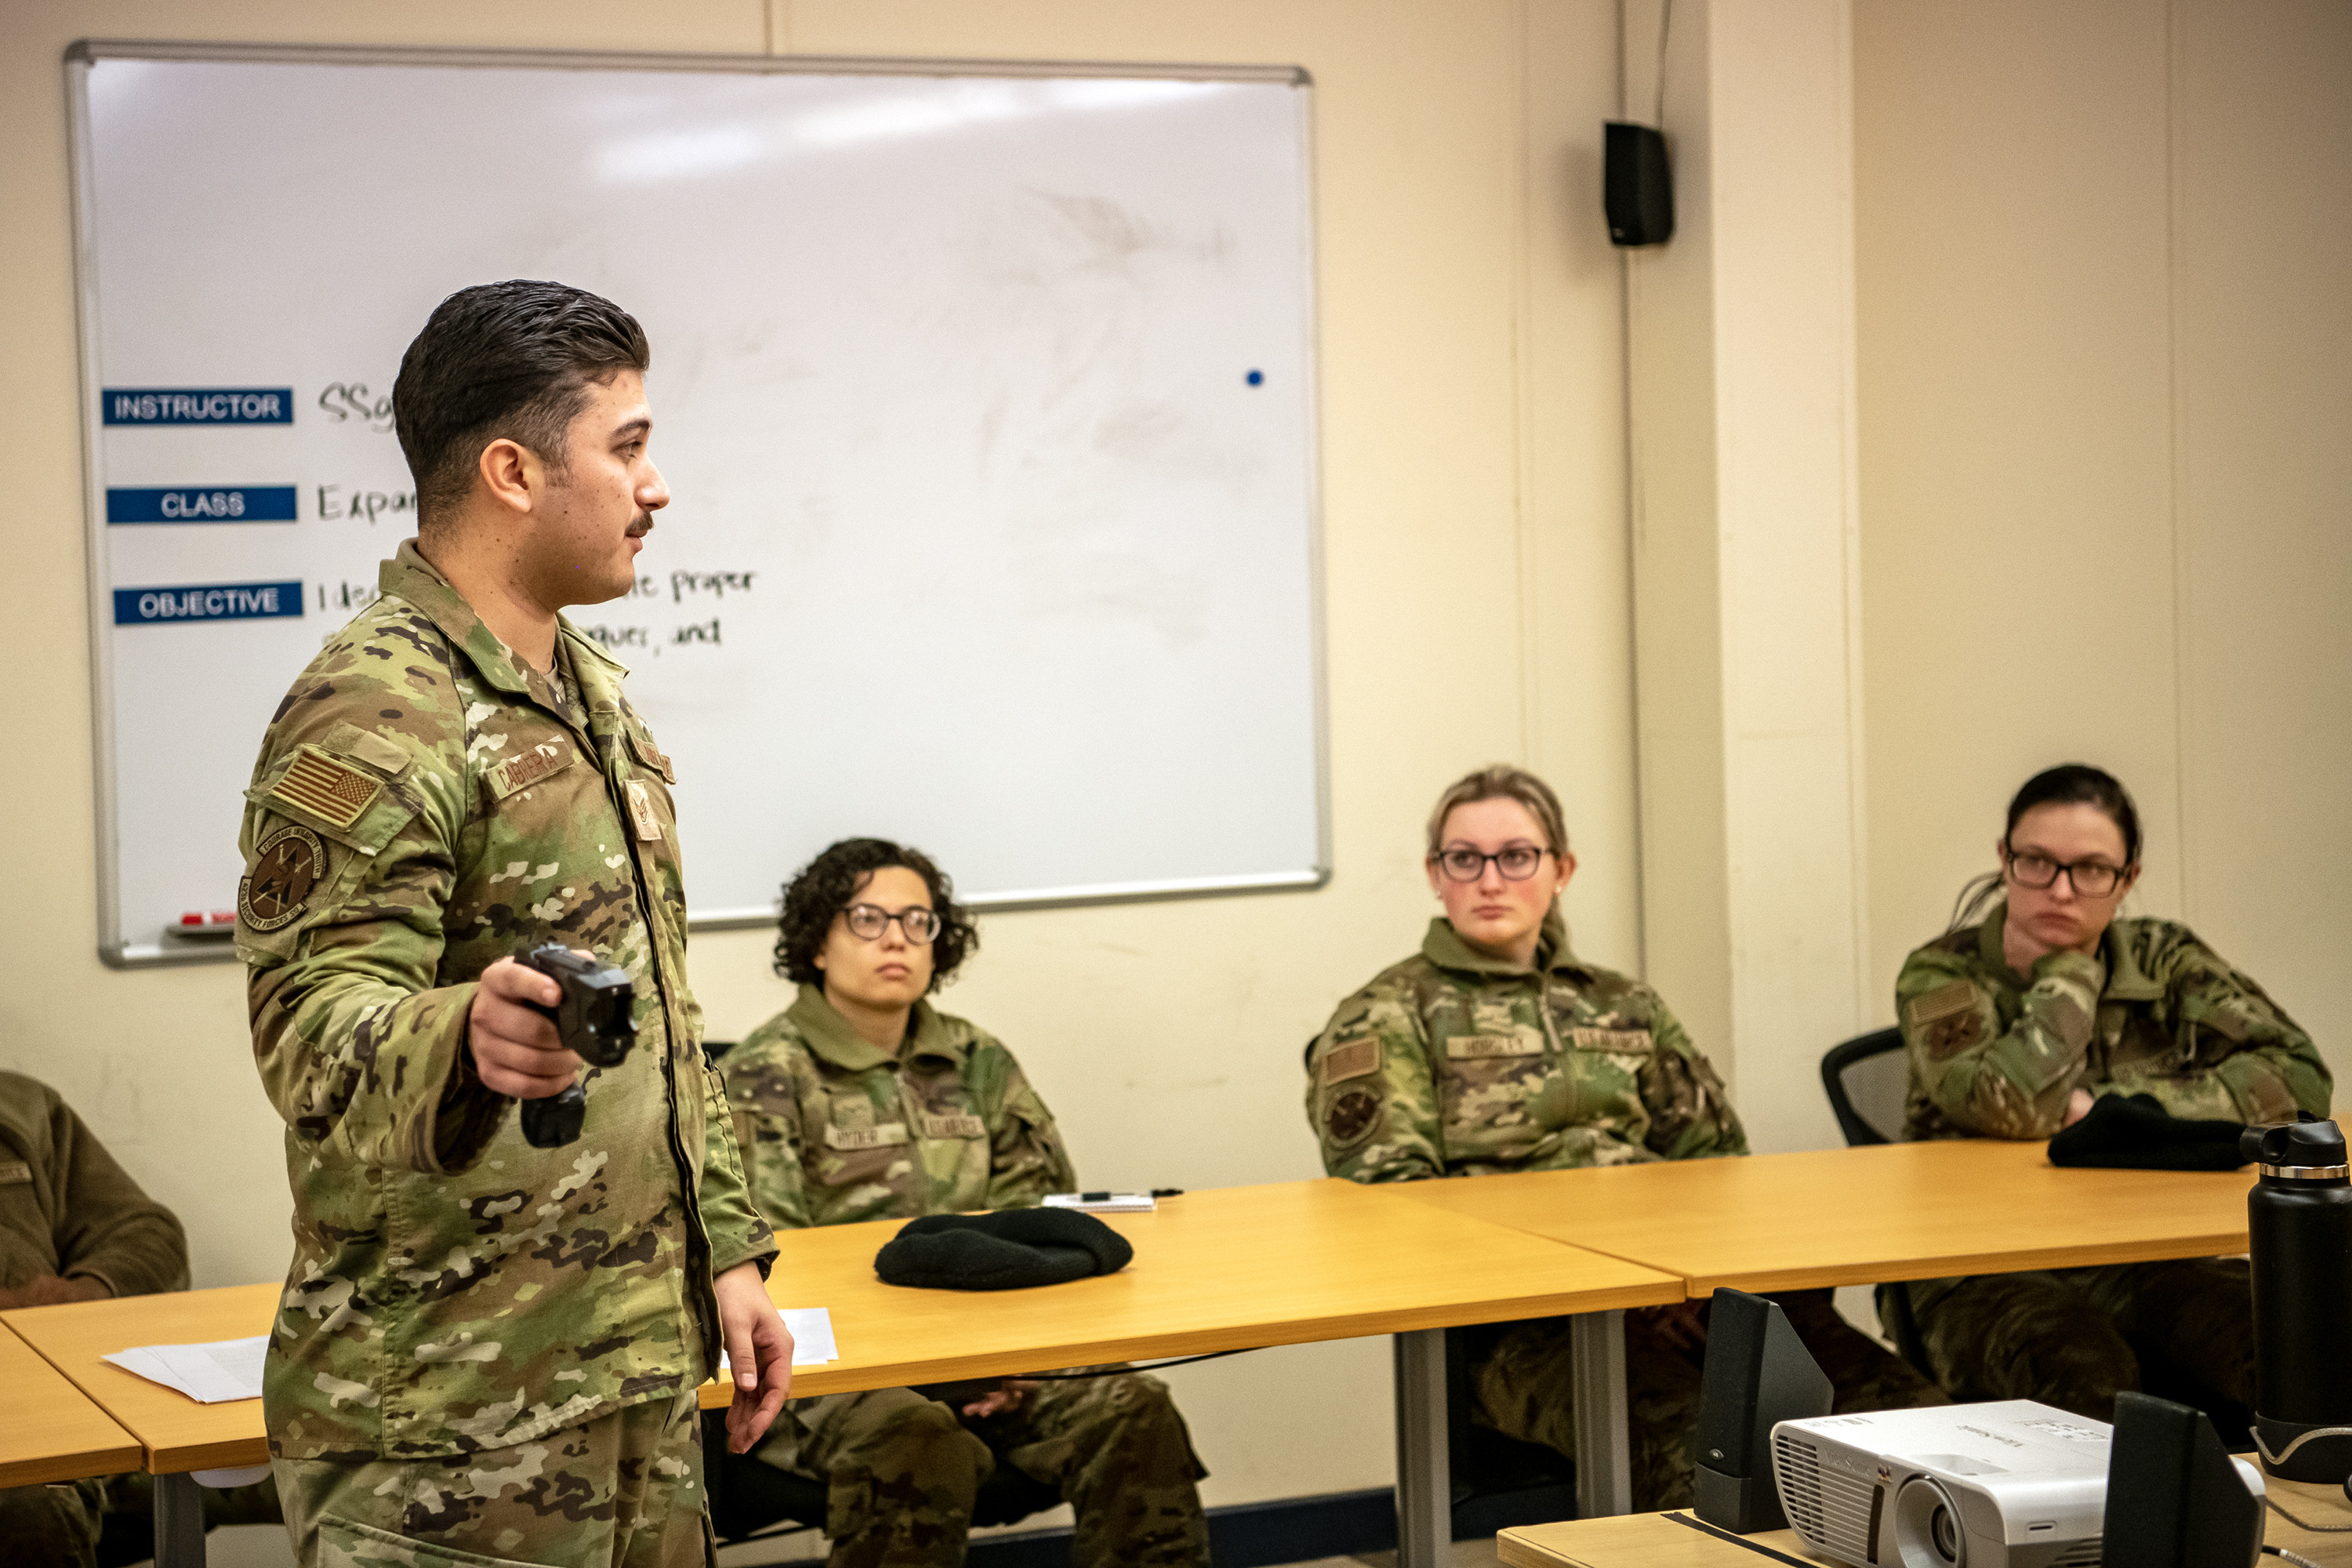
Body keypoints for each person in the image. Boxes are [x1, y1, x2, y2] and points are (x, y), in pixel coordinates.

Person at [235, 280, 787, 1568]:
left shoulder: (584, 693)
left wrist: (732, 1258)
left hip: (630, 1382)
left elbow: (659, 1018)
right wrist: (460, 1036)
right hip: (452, 1426)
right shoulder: (378, 708)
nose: (659, 487)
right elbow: (310, 1029)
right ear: (512, 472)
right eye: (630, 445)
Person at [1305, 764, 1944, 1510]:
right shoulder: (1387, 1015)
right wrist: (1622, 1290)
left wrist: (1692, 1286)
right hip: (1523, 1332)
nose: (1489, 879)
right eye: (1463, 858)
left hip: (1698, 1302)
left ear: (1561, 869)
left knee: (1923, 1429)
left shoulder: (1623, 1003)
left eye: (1516, 855)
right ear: (1434, 875)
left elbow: (1719, 1167)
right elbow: (1391, 1212)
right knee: (1699, 1452)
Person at [720, 837, 1211, 1567]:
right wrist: (936, 1365)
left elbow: (1040, 1233)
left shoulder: (978, 1060)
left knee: (1134, 1409)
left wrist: (1011, 1358)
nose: (897, 937)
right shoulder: (765, 1074)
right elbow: (777, 1268)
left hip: (994, 1357)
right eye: (867, 918)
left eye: (919, 921)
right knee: (915, 1439)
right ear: (816, 943)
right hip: (830, 1369)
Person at [1889, 762, 2329, 1422]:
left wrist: (2132, 1116)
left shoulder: (2166, 958)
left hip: (2138, 1254)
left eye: (2092, 869)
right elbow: (2009, 1104)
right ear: (2004, 860)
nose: (2062, 891)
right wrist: (2068, 973)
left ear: (2129, 880)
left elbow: (2300, 1075)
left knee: (2299, 1340)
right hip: (1978, 1269)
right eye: (2038, 862)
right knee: (2086, 1379)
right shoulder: (1941, 971)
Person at [0, 1071, 283, 1567]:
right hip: (27, 1454)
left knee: (353, 1446)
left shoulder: (18, 1107)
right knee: (28, 1501)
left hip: (87, 1413)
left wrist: (72, 1298)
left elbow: (147, 1234)